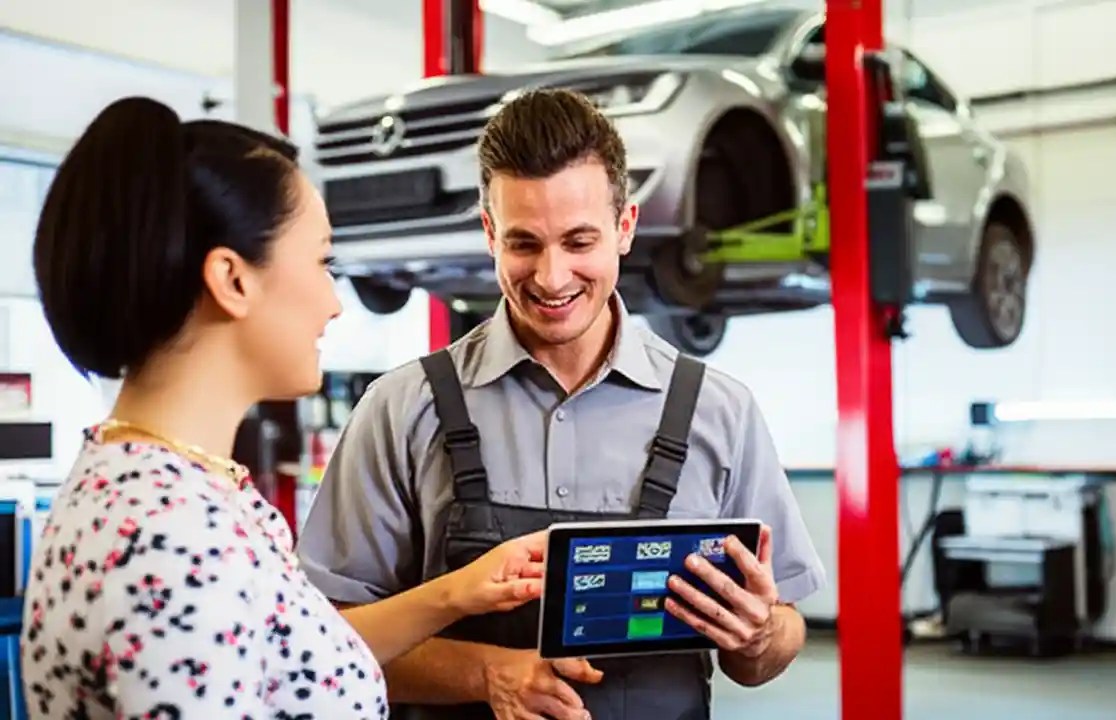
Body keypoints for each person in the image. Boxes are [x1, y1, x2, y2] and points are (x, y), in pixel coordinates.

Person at [297, 88, 826, 720]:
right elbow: (326, 640)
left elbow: (778, 638)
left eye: (579, 242)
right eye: (524, 244)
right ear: (489, 232)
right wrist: (485, 675)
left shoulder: (720, 412)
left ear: (625, 227)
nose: (551, 278)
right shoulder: (402, 409)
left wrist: (761, 634)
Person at [20, 96, 549, 720]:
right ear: (233, 280)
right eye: (322, 262)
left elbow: (294, 660)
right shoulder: (175, 541)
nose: (334, 303)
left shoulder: (175, 486)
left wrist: (456, 594)